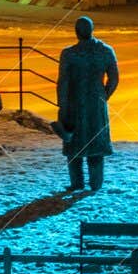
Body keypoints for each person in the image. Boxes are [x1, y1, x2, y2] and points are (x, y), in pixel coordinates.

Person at [54, 16, 118, 191]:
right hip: (96, 104)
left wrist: (62, 105)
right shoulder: (105, 51)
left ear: (76, 32)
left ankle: (77, 183)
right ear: (92, 30)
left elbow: (63, 82)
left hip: (74, 103)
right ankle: (96, 183)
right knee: (96, 145)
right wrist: (103, 96)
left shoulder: (69, 54)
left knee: (73, 144)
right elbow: (114, 78)